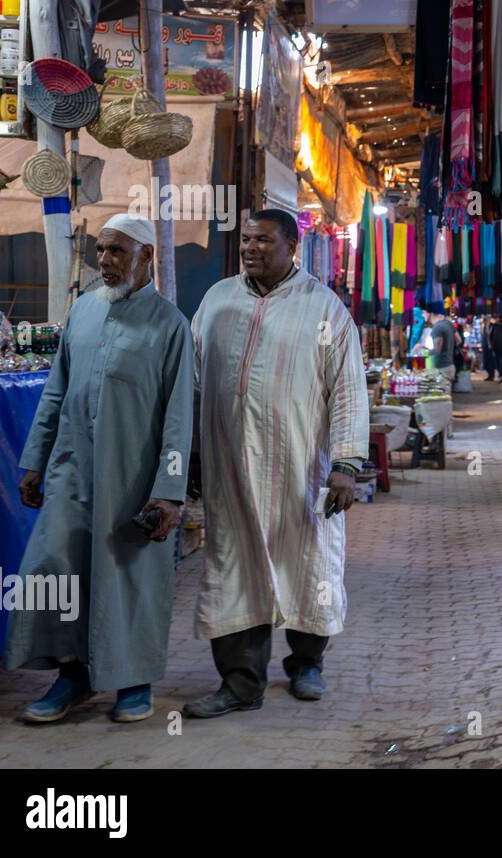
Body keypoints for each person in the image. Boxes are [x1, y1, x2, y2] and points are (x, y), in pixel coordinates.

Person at [6, 214, 193, 724]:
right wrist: (33, 462)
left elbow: (179, 420)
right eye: (101, 251)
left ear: (146, 257)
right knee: (59, 569)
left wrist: (170, 493)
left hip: (133, 482)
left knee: (127, 579)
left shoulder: (170, 326)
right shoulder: (83, 312)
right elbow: (55, 393)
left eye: (117, 252)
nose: (105, 261)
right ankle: (73, 676)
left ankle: (133, 682)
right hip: (71, 472)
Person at [184, 209, 369, 718]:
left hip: (299, 471)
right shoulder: (217, 300)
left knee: (306, 563)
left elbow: (348, 391)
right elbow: (193, 382)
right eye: (246, 239)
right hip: (229, 469)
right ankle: (240, 683)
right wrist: (191, 454)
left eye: (263, 240)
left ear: (292, 245)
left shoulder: (325, 311)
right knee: (232, 568)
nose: (250, 248)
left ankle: (307, 663)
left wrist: (346, 466)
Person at [429, 311, 456, 384]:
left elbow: (437, 350)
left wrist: (423, 351)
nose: (423, 315)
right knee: (446, 393)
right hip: (450, 365)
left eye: (424, 312)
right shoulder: (449, 324)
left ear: (431, 313)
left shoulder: (437, 327)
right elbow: (459, 340)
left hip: (441, 368)